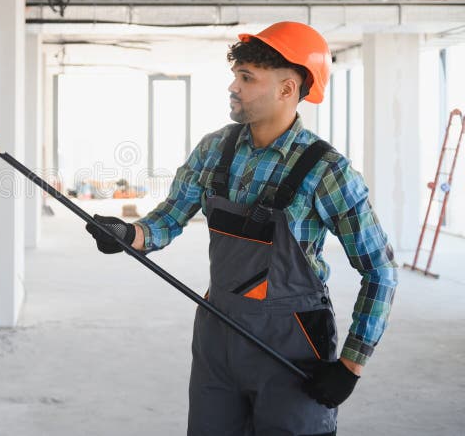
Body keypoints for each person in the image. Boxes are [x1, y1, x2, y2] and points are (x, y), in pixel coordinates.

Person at [85, 21, 398, 436]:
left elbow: (380, 270)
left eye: (247, 78)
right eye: (236, 75)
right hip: (218, 331)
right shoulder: (216, 148)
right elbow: (169, 217)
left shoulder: (326, 171)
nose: (233, 86)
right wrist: (129, 236)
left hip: (291, 342)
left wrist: (350, 365)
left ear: (287, 89)